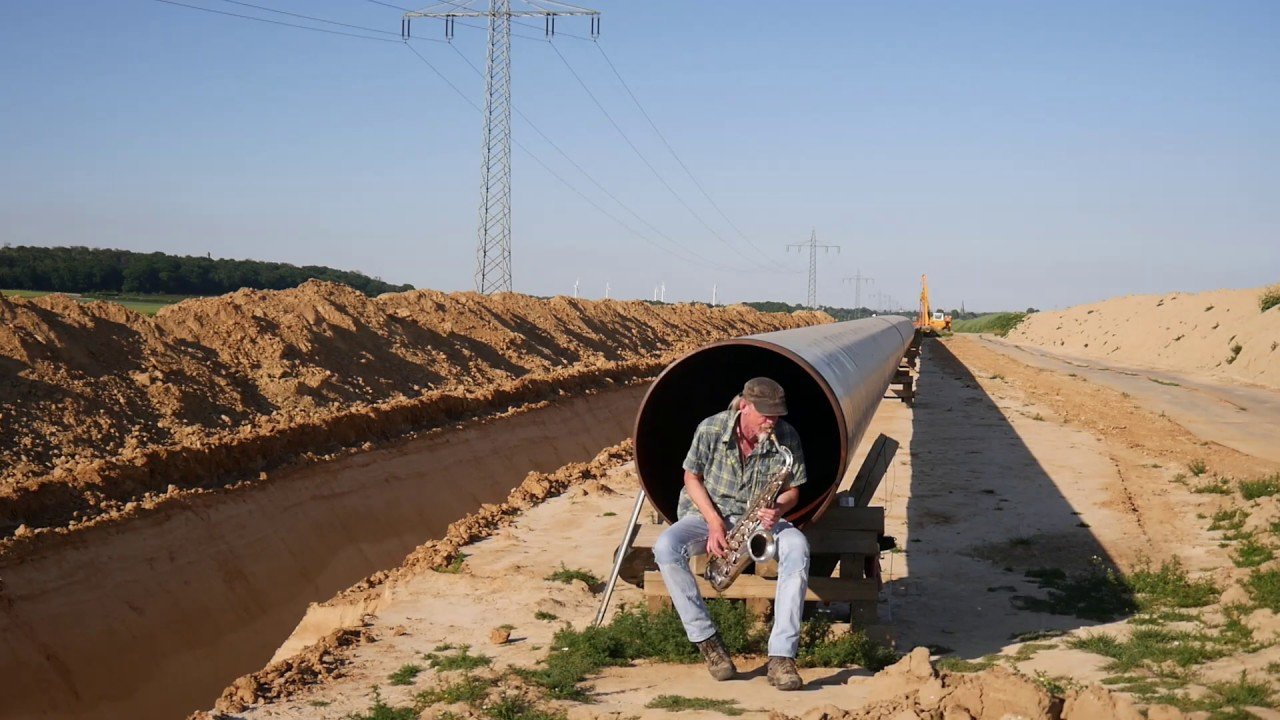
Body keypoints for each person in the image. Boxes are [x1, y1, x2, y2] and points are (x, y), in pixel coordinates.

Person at [653, 377, 810, 690]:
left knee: (798, 546)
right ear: (744, 406)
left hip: (760, 520)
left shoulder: (786, 436)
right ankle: (708, 643)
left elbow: (794, 491)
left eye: (777, 414)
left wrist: (779, 508)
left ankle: (781, 657)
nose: (772, 420)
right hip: (708, 515)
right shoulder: (711, 429)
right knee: (666, 547)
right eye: (766, 414)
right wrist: (713, 521)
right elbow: (691, 477)